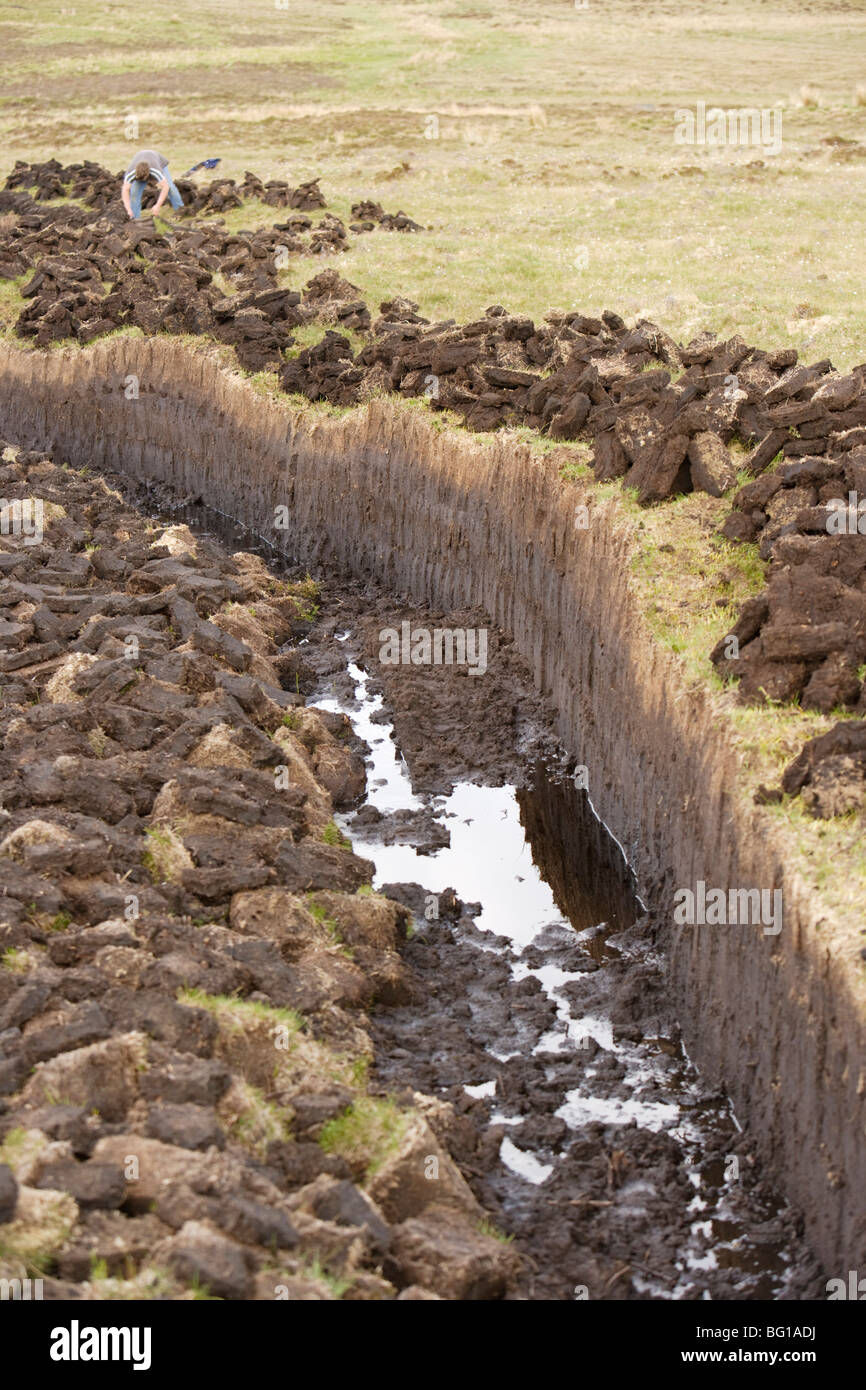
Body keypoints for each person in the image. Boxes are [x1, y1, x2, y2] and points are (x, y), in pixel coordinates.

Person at [121, 150, 184, 221]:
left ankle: (180, 210)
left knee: (171, 188)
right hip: (140, 158)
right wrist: (128, 209)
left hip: (158, 160)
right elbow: (125, 190)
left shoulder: (156, 170)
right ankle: (134, 218)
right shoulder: (130, 173)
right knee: (134, 194)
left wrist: (157, 205)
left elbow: (165, 187)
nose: (144, 181)